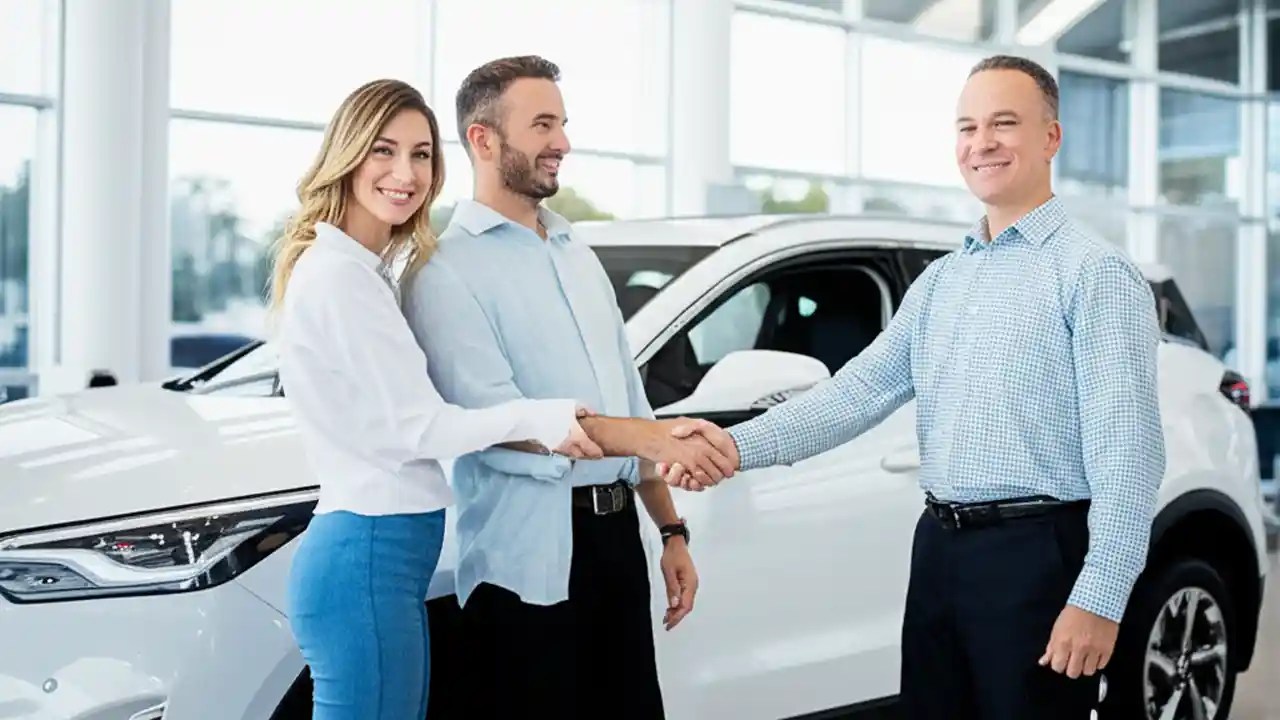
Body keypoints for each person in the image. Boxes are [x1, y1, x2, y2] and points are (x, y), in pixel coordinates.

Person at [661, 55, 1166, 719]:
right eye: (967, 126)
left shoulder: (1095, 274)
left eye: (1004, 123)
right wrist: (728, 444)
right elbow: (855, 395)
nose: (981, 143)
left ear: (1051, 137)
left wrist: (1100, 595)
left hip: (1037, 556)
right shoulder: (941, 283)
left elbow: (1129, 455)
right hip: (939, 549)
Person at [401, 56, 732, 719]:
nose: (562, 142)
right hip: (524, 563)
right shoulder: (443, 270)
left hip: (615, 548)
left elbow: (631, 404)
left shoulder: (574, 251)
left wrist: (670, 532)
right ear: (484, 139)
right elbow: (500, 424)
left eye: (563, 123)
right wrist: (660, 437)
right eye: (543, 124)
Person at [270, 78, 600, 720]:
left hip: (377, 563)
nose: (406, 173)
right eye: (384, 151)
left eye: (421, 154)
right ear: (348, 155)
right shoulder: (340, 278)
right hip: (366, 560)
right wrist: (544, 415)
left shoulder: (360, 271)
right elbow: (417, 428)